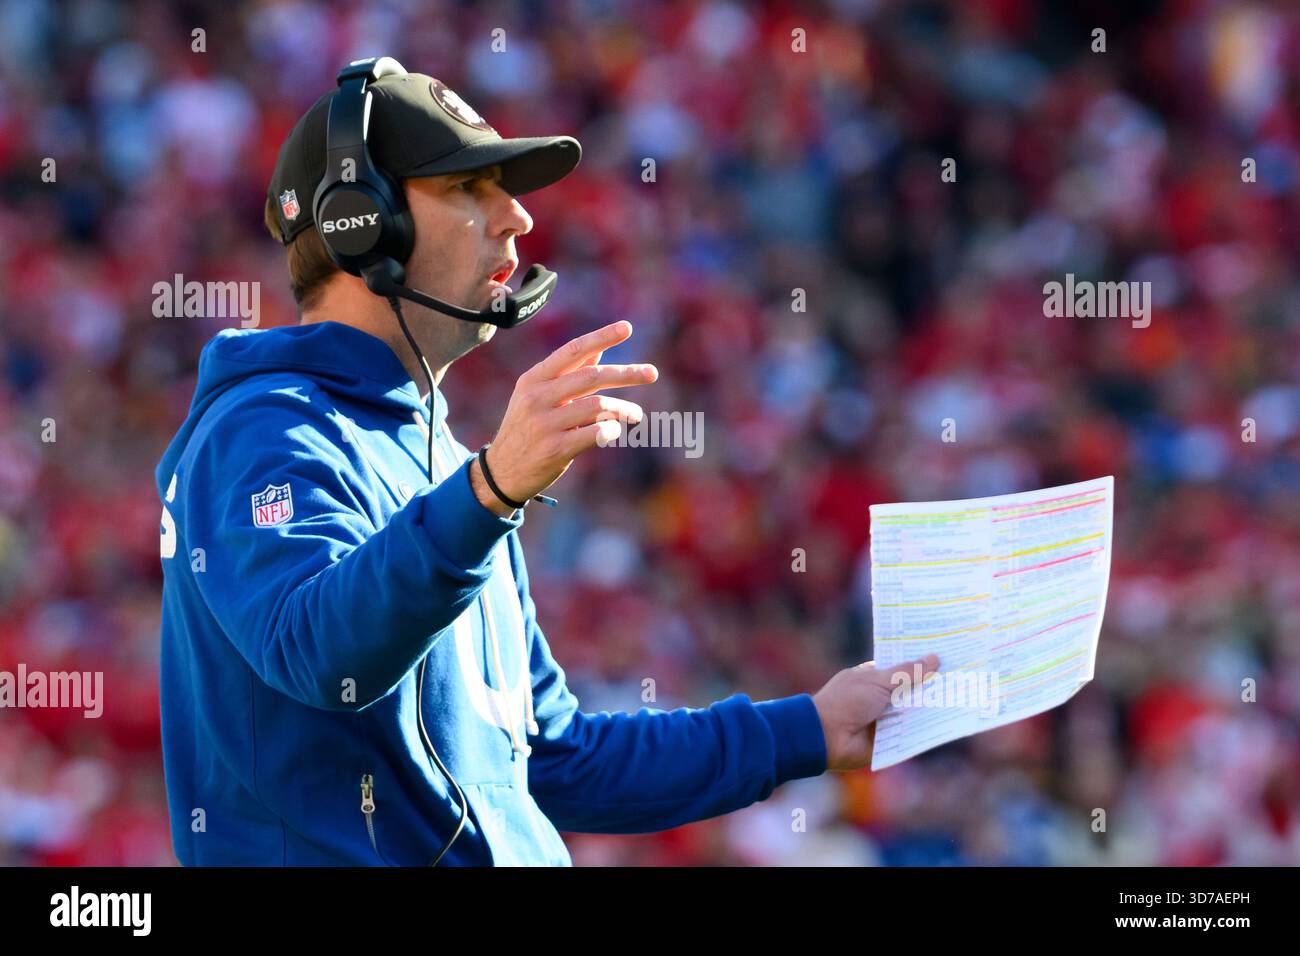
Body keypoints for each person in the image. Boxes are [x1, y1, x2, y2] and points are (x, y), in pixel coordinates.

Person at [154, 58, 938, 865]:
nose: (518, 219)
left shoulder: (450, 466)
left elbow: (555, 759)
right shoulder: (260, 429)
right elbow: (314, 652)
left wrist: (809, 728)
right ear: (362, 221)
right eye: (467, 189)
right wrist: (488, 494)